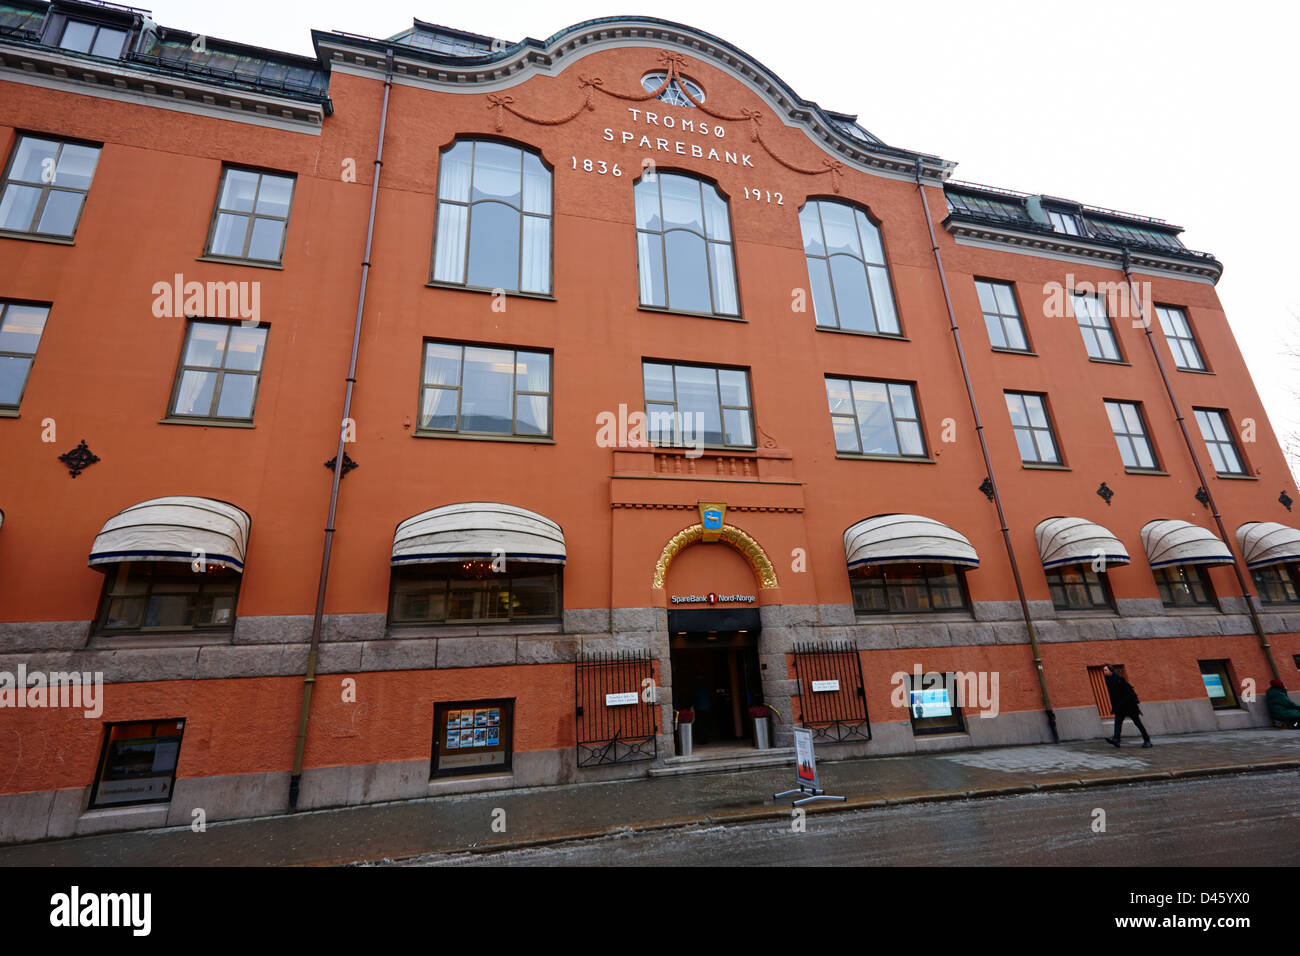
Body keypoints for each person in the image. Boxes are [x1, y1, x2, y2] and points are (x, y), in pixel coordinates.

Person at [1103, 664, 1152, 748]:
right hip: (1120, 707)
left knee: (1138, 723)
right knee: (1117, 722)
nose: (1104, 672)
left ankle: (1147, 740)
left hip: (1129, 706)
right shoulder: (1108, 680)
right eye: (1104, 670)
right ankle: (1116, 740)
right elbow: (1114, 696)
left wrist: (1133, 702)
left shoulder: (1119, 679)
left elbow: (1129, 689)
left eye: (1105, 670)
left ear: (1111, 671)